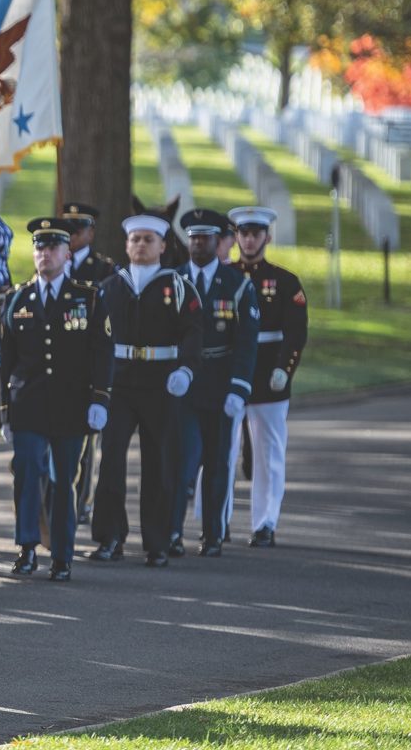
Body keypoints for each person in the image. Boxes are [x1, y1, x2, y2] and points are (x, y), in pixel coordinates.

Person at [0, 218, 113, 581]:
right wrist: (4, 411)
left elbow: (102, 353)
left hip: (71, 405)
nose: (44, 254)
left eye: (52, 248)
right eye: (39, 247)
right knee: (27, 473)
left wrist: (99, 399)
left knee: (65, 480)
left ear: (67, 253)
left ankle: (62, 555)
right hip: (28, 405)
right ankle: (28, 548)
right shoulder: (17, 298)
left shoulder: (88, 297)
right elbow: (6, 361)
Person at [88, 214, 202, 567]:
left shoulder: (178, 286)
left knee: (160, 463)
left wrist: (185, 367)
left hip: (159, 383)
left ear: (163, 246)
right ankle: (109, 537)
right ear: (125, 245)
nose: (140, 245)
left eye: (148, 239)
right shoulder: (109, 286)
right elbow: (96, 339)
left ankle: (157, 541)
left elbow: (194, 331)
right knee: (111, 462)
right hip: (119, 384)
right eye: (135, 239)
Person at [168, 208, 259, 558]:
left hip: (220, 387)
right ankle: (174, 531)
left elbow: (246, 343)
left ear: (219, 242)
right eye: (193, 238)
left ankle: (212, 535)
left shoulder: (236, 284)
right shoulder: (173, 280)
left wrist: (238, 388)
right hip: (185, 387)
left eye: (205, 238)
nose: (198, 244)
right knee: (182, 461)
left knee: (219, 465)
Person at [230, 205, 308, 548]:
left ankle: (265, 523)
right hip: (230, 372)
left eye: (255, 234)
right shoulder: (225, 275)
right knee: (219, 451)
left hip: (267, 373)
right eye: (243, 233)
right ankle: (215, 521)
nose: (249, 240)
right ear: (236, 237)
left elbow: (295, 332)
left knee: (268, 452)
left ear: (267, 237)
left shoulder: (286, 280)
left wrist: (284, 368)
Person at [60, 201, 117, 523]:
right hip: (57, 367)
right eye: (66, 229)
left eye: (77, 229)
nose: (71, 236)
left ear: (91, 232)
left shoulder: (105, 271)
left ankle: (82, 502)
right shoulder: (54, 264)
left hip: (87, 367)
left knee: (87, 449)